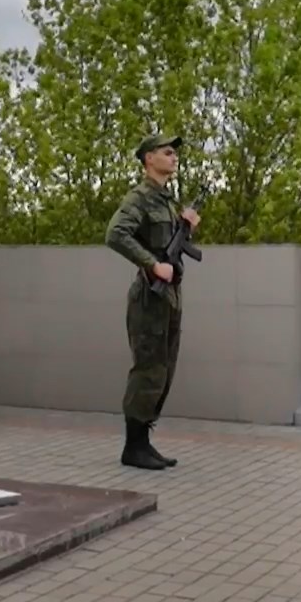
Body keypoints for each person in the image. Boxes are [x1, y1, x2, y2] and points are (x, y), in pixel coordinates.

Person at [104, 132, 200, 471]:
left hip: (169, 297)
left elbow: (167, 243)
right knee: (148, 370)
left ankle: (144, 441)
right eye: (167, 152)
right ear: (148, 159)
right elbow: (115, 234)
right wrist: (152, 264)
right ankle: (133, 447)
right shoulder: (140, 197)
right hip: (149, 297)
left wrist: (185, 226)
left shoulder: (165, 200)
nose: (174, 157)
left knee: (164, 370)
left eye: (175, 153)